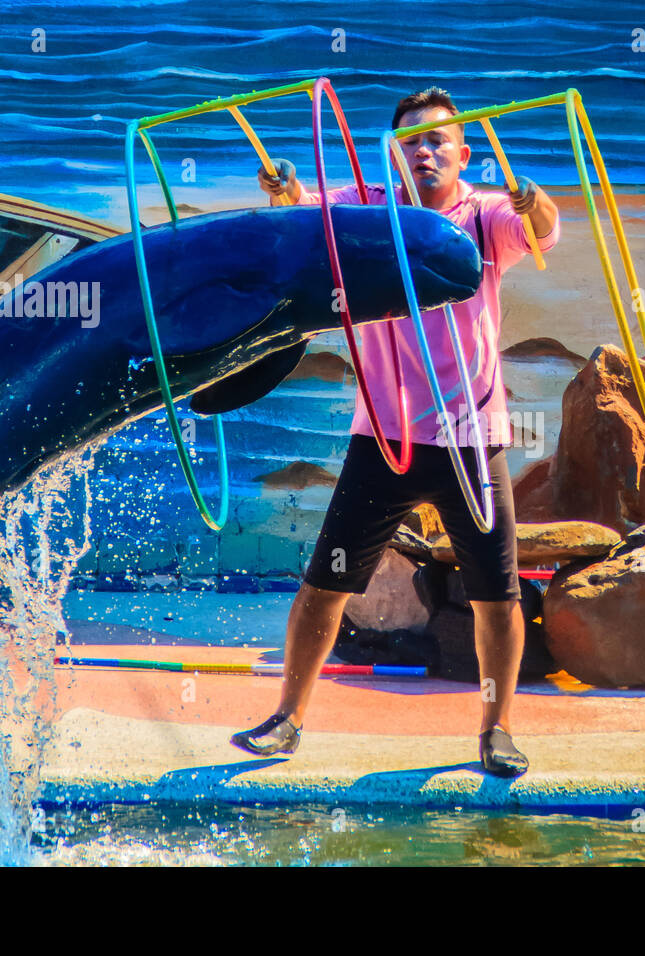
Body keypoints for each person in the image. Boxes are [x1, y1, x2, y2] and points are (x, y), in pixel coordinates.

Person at [230, 87, 560, 777]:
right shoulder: (367, 208)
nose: (425, 151)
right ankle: (287, 719)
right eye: (411, 141)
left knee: (496, 598)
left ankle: (496, 730)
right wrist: (283, 187)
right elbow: (303, 219)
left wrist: (536, 203)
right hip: (383, 438)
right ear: (394, 152)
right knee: (327, 584)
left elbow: (538, 227)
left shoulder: (485, 215)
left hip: (470, 440)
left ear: (463, 153)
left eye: (438, 140)